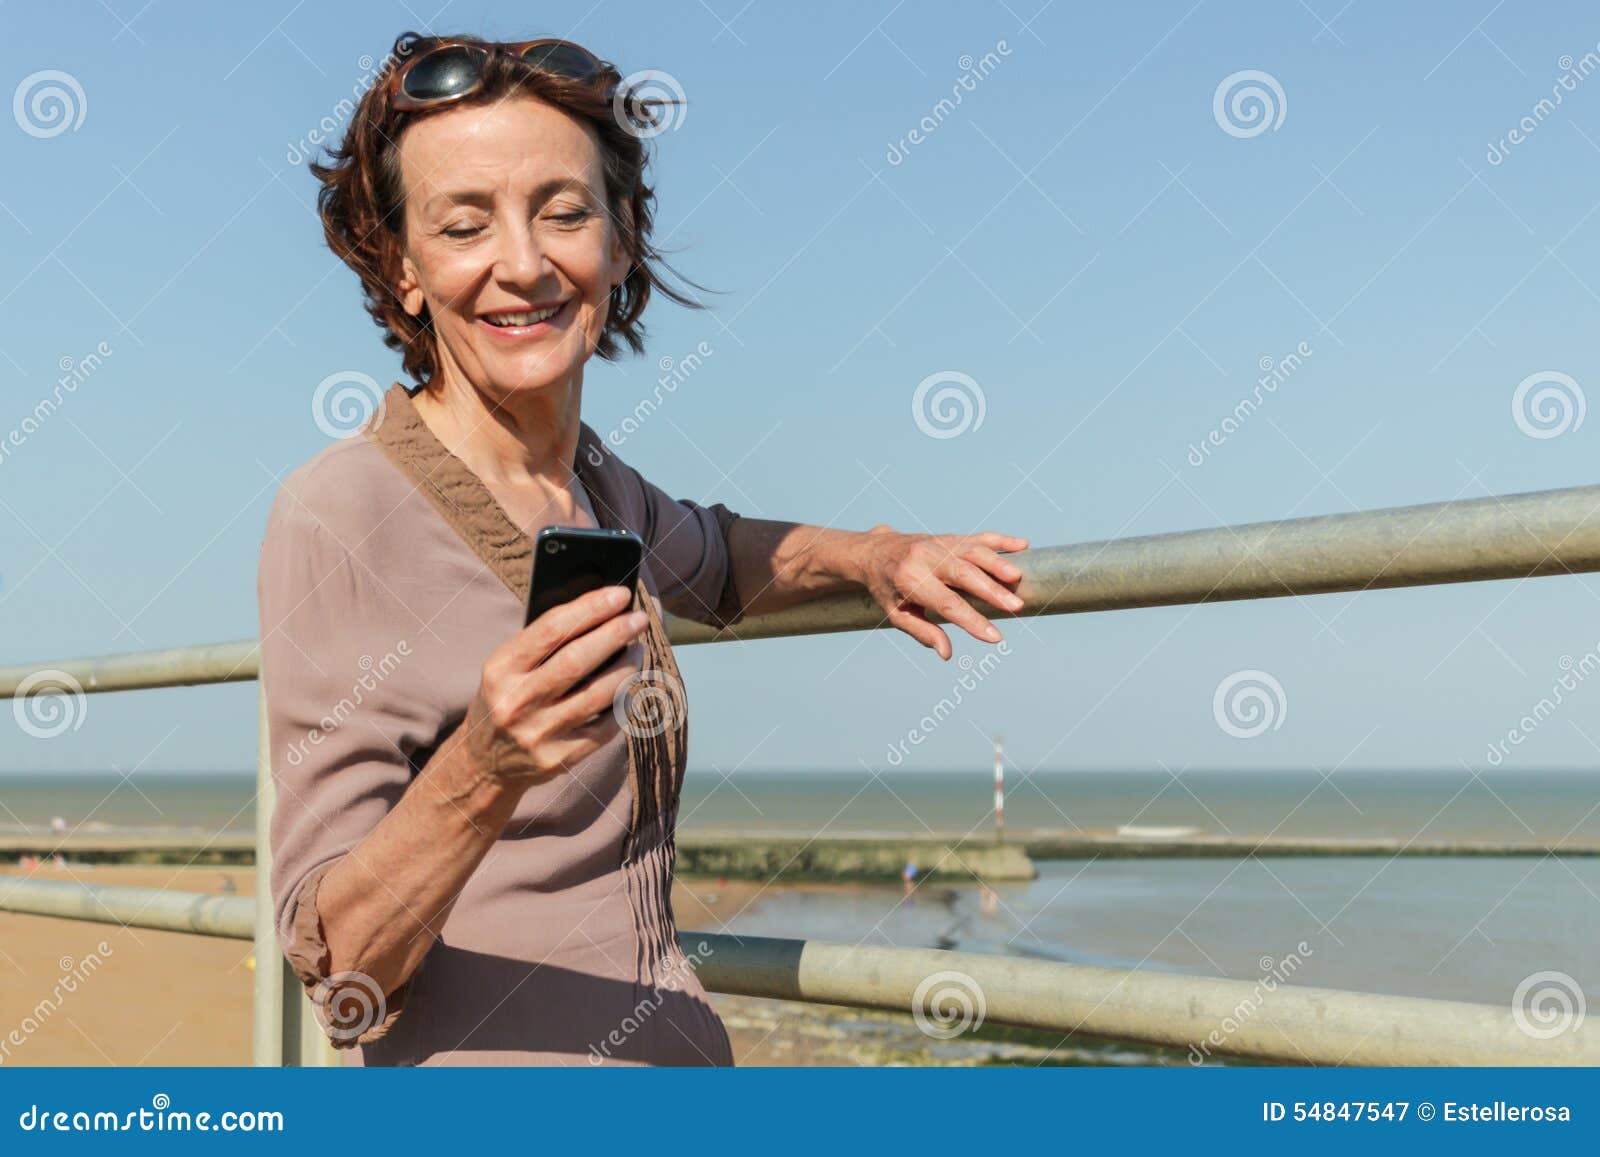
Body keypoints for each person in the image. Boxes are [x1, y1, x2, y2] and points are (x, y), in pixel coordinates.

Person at [259, 31, 1028, 1067]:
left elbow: (716, 558)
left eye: (565, 212)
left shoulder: (594, 486)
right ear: (402, 265)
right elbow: (340, 963)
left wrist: (877, 555)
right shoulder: (342, 510)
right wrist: (484, 763)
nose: (524, 263)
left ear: (620, 243)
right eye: (464, 223)